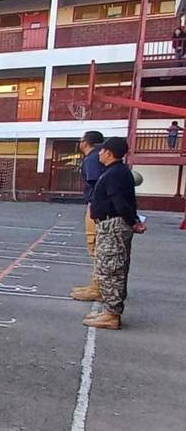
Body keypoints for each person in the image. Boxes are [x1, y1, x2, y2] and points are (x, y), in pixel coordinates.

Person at [84, 137, 146, 330]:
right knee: (106, 267)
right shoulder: (114, 172)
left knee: (112, 269)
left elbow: (121, 202)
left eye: (102, 151)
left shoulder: (116, 174)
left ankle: (111, 314)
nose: (99, 154)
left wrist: (133, 221)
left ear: (109, 153)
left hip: (113, 226)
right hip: (108, 224)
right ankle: (109, 310)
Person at [71, 131, 107, 301]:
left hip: (96, 205)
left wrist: (96, 205)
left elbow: (96, 182)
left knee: (95, 244)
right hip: (97, 204)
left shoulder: (92, 158)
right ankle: (96, 284)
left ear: (85, 142)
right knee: (97, 246)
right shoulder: (96, 157)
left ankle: (98, 287)